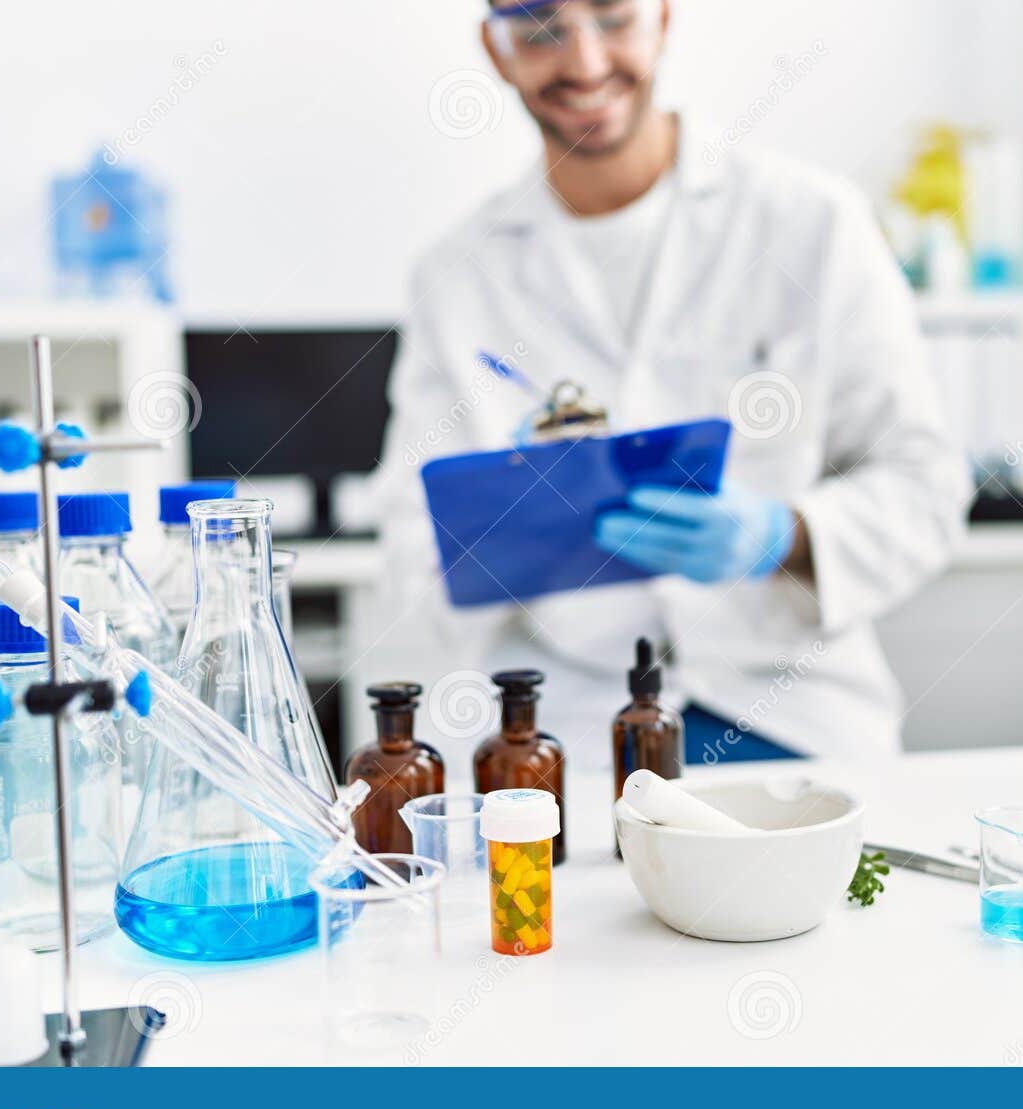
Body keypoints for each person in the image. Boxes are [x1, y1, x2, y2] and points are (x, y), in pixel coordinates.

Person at [368, 0, 967, 767]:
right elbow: (408, 536)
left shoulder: (812, 225)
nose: (585, 63)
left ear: (662, 18)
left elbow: (926, 482)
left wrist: (783, 534)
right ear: (496, 47)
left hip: (793, 705)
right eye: (542, 28)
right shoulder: (456, 274)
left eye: (613, 18)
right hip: (569, 715)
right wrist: (499, 522)